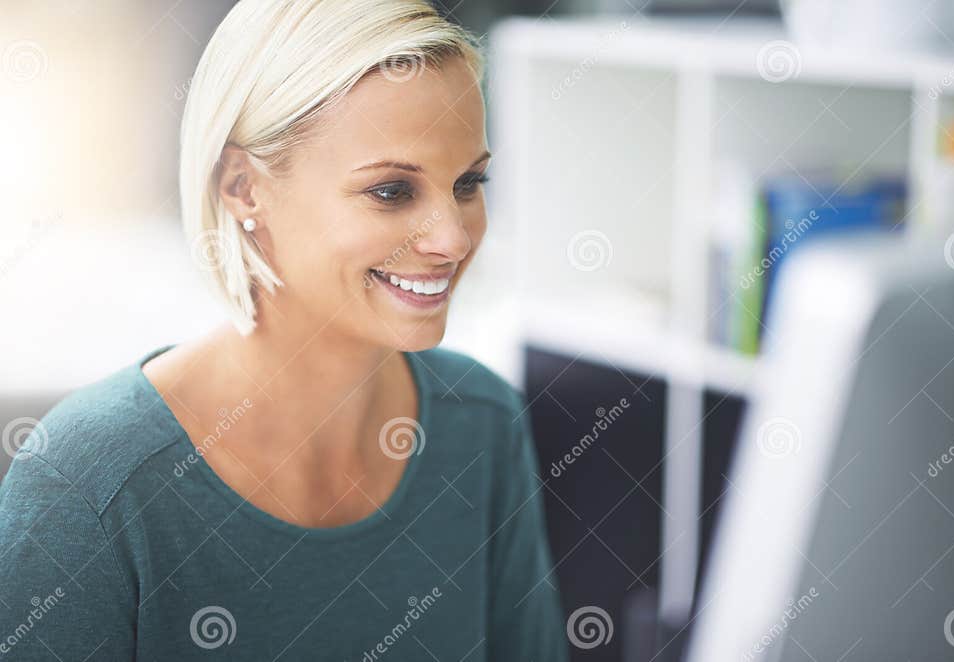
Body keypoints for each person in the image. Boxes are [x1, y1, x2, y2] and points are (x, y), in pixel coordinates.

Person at [0, 1, 569, 659]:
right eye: (391, 191)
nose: (453, 237)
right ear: (244, 187)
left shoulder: (484, 425)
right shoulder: (86, 488)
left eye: (469, 182)